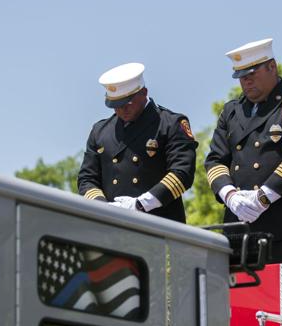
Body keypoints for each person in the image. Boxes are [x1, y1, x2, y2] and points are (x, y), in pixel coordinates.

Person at [204, 38, 282, 263]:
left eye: (251, 74)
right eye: (241, 76)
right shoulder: (231, 111)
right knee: (240, 298)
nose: (246, 82)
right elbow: (215, 161)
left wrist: (262, 198)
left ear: (272, 67)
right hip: (239, 228)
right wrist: (230, 196)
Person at [78, 62, 197, 223]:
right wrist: (103, 208)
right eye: (116, 105)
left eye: (127, 103)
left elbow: (182, 173)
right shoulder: (100, 131)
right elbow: (87, 179)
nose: (121, 110)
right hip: (110, 225)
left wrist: (141, 204)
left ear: (144, 92)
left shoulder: (169, 123)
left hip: (159, 224)